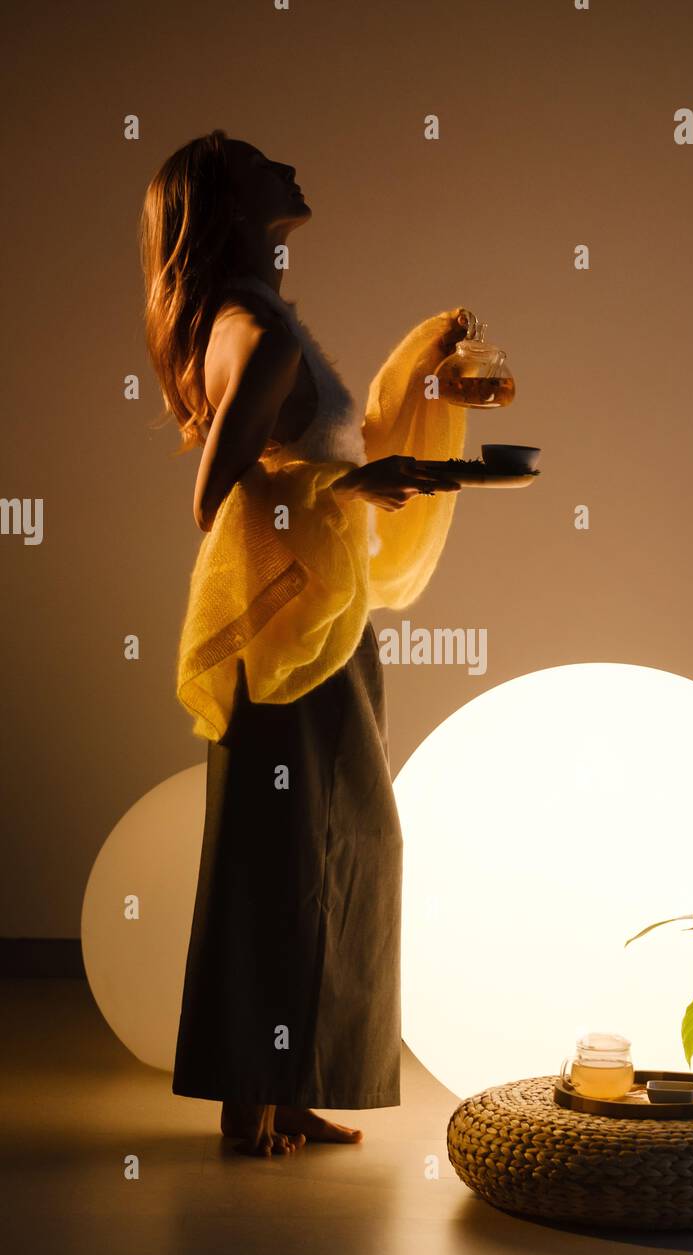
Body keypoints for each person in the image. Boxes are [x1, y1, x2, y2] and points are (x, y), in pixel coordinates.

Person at [139, 129, 468, 1156]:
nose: (286, 158)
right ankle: (250, 1096)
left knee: (339, 846)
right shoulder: (254, 327)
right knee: (284, 853)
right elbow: (213, 498)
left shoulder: (265, 316)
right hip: (285, 634)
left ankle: (288, 1084)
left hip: (319, 621)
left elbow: (320, 448)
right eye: (254, 156)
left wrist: (426, 384)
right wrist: (351, 485)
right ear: (231, 199)